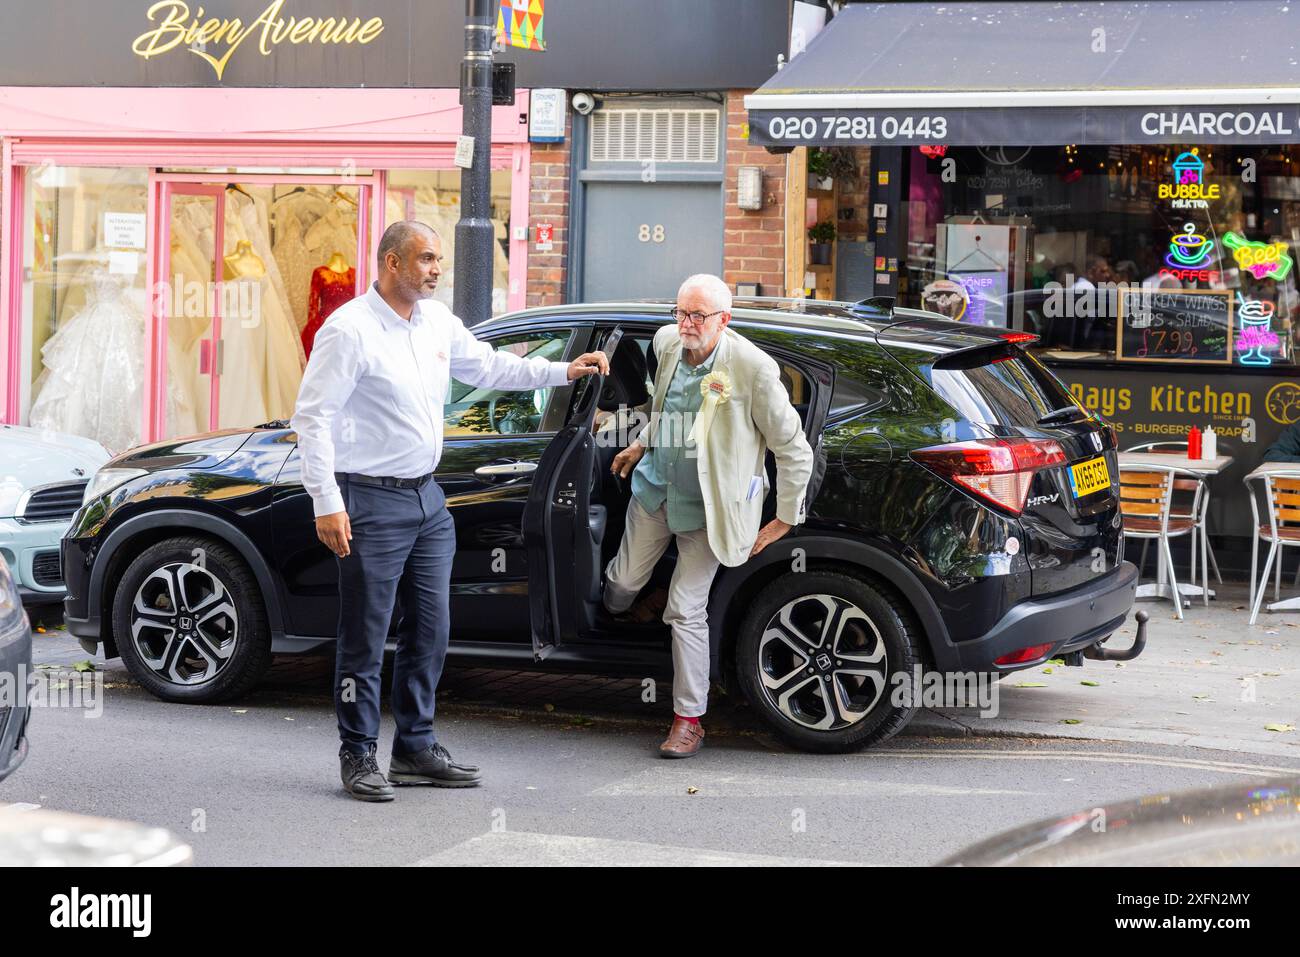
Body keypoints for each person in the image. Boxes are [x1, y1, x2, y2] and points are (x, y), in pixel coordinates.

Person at [292, 221, 608, 802]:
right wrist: (327, 502)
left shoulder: (436, 321)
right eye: (427, 258)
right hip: (368, 499)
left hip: (427, 500)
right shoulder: (349, 331)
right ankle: (357, 754)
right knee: (364, 637)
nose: (437, 269)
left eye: (438, 259)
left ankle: (414, 747)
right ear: (391, 262)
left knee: (431, 632)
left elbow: (489, 367)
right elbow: (311, 419)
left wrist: (562, 370)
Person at [603, 274, 815, 758]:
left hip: (710, 511)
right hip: (654, 491)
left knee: (684, 609)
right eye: (681, 313)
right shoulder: (667, 343)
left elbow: (793, 448)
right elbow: (665, 407)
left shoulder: (754, 370)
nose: (687, 324)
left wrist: (784, 518)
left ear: (725, 319)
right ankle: (638, 600)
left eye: (699, 316)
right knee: (620, 589)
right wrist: (640, 443)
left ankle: (688, 719)